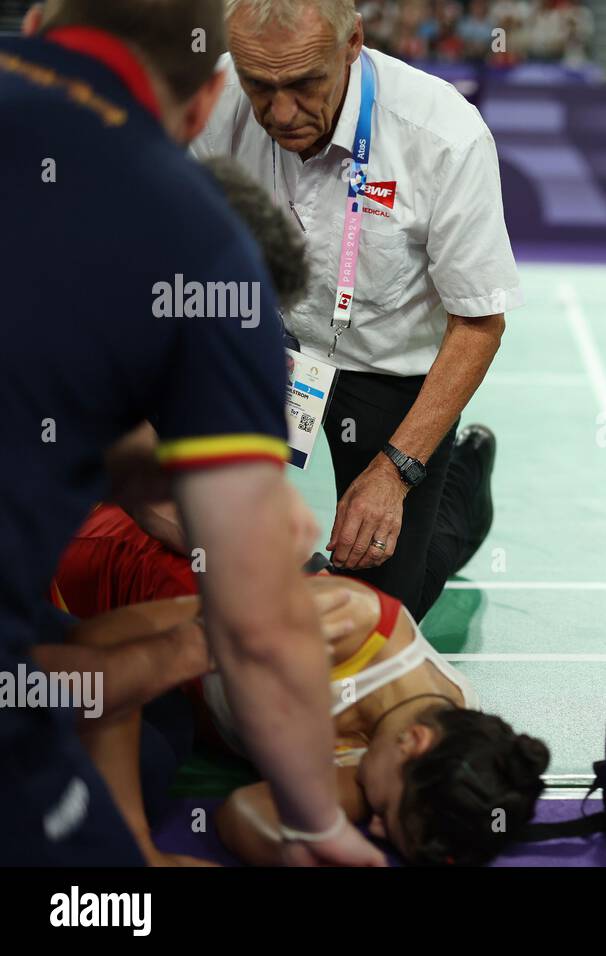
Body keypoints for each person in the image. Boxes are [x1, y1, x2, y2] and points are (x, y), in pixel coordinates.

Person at [3, 0, 380, 864]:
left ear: (34, 27)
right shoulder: (197, 245)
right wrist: (319, 824)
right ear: (208, 104)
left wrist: (139, 469)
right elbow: (258, 627)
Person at [190, 0, 518, 621]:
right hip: (267, 349)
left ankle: (457, 491)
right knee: (197, 563)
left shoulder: (444, 134)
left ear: (353, 45)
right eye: (261, 87)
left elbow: (479, 323)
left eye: (304, 84)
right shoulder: (217, 98)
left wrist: (396, 474)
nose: (280, 114)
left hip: (387, 370)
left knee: (375, 617)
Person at [51, 509, 550, 866]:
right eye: (386, 814)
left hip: (172, 696)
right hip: (110, 568)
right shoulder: (339, 625)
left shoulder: (407, 750)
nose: (373, 829)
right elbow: (97, 649)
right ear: (414, 744)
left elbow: (245, 815)